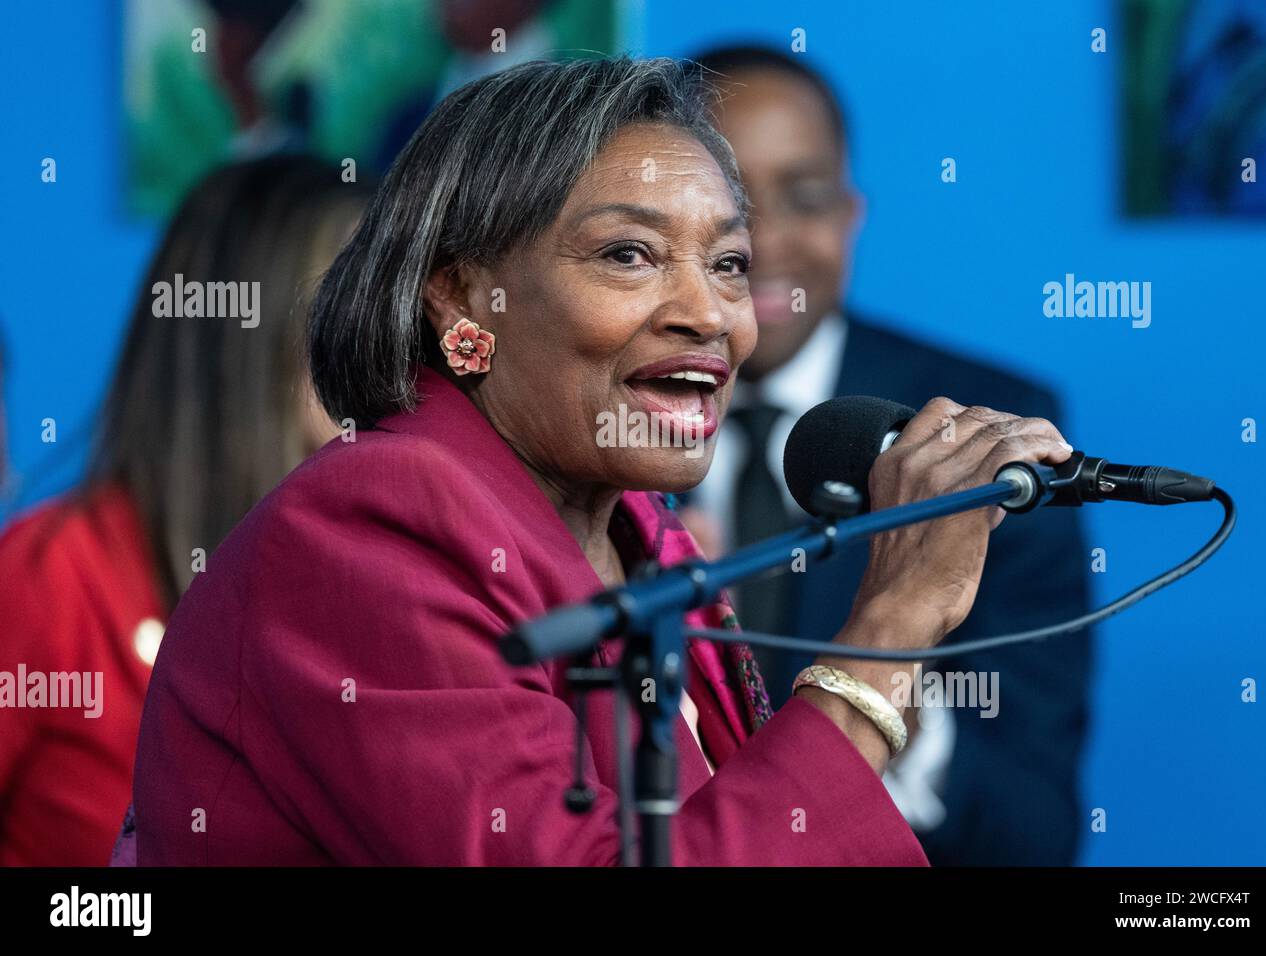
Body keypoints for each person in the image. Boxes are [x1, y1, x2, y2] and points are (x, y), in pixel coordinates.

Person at [122, 57, 1074, 866]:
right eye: (630, 254)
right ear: (462, 301)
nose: (709, 313)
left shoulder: (645, 535)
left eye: (730, 264)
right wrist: (894, 620)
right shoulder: (367, 527)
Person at [685, 45, 1095, 865]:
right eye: (725, 204)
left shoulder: (987, 437)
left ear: (850, 214)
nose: (763, 243)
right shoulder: (591, 424)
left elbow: (1034, 829)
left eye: (802, 197)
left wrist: (890, 709)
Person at [0, 156, 367, 866]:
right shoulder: (49, 579)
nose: (394, 341)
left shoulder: (382, 586)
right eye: (351, 303)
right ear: (240, 337)